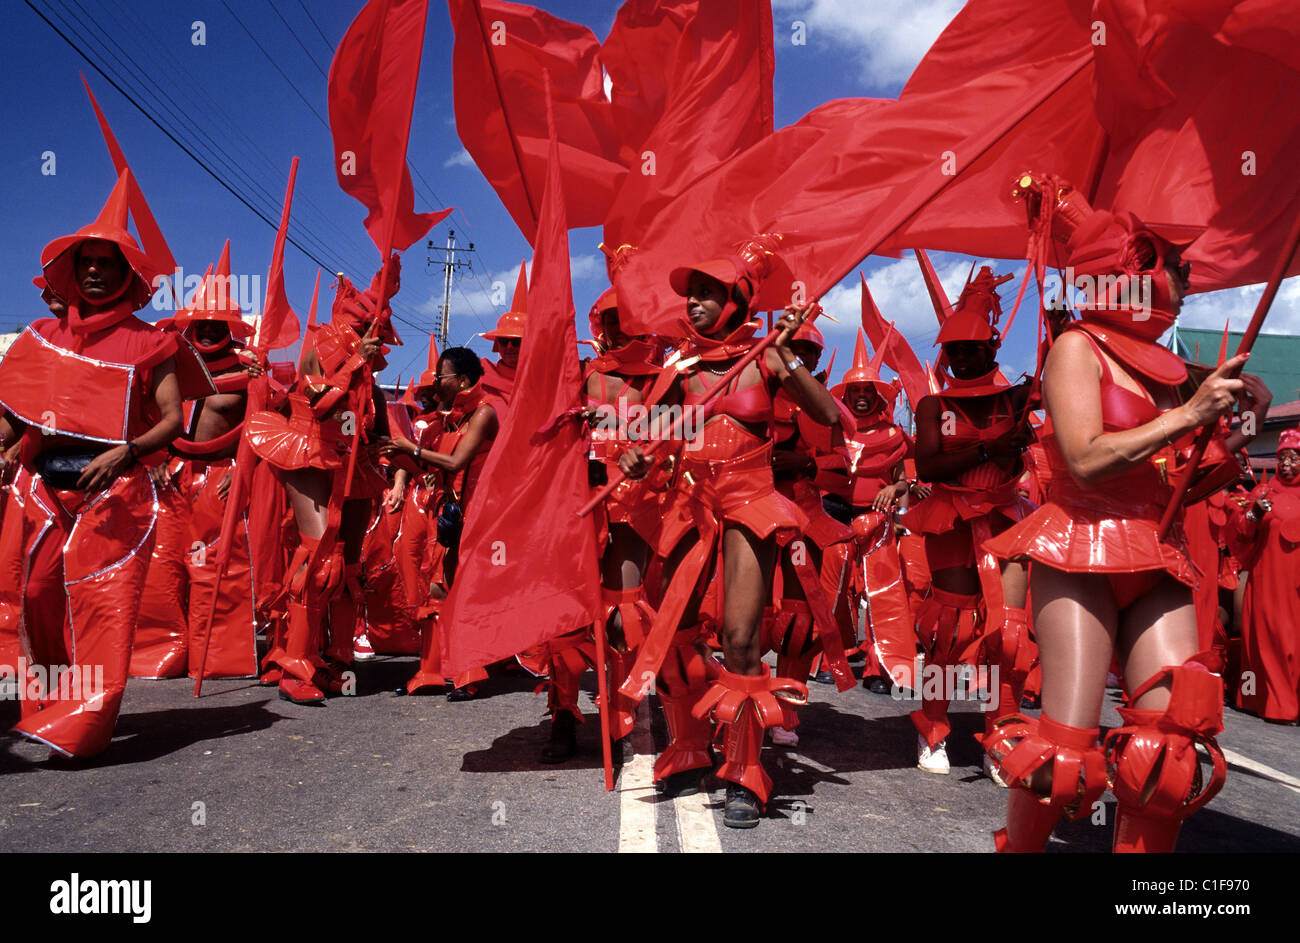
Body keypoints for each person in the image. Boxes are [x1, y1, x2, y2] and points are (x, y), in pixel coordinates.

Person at [983, 174, 1270, 852]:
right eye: (1176, 265)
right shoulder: (1076, 348)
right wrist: (1191, 416)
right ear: (1133, 270)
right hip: (1080, 548)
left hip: (1153, 551)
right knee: (1064, 743)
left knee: (1168, 746)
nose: (1189, 278)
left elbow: (1178, 475)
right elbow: (1083, 460)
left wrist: (1225, 429)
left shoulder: (1167, 369)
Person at [617, 249, 843, 827]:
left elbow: (829, 417)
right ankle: (690, 751)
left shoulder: (766, 361)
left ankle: (745, 772)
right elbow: (652, 435)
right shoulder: (682, 370)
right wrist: (640, 455)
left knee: (742, 640)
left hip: (750, 501)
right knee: (674, 633)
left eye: (707, 292)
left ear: (738, 300)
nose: (693, 302)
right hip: (690, 502)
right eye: (690, 293)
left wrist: (789, 357)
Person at [0, 171, 184, 757]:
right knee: (36, 596)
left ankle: (87, 723)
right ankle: (53, 705)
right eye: (87, 262)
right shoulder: (39, 337)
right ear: (71, 271)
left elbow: (172, 420)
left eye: (107, 262)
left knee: (102, 609)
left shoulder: (151, 343)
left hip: (115, 493)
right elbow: (14, 418)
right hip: (43, 490)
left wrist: (124, 452)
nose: (96, 271)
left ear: (127, 272)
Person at [246, 263, 396, 704]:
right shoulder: (322, 347)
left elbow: (370, 420)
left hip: (351, 461)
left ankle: (338, 659)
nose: (375, 329)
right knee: (318, 559)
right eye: (366, 319)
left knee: (349, 566)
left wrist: (385, 446)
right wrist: (355, 362)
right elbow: (323, 404)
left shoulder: (368, 366)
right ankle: (295, 664)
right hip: (311, 450)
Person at [909, 267, 1036, 778]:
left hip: (1007, 518)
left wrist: (1066, 333)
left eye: (971, 349)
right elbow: (928, 466)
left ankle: (1002, 734)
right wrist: (986, 447)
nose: (960, 358)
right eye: (953, 350)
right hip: (952, 519)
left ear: (993, 348)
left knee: (1009, 630)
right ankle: (933, 728)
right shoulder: (932, 404)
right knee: (950, 630)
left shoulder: (1019, 398)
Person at [538, 288, 664, 762]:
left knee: (623, 613)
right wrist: (574, 414)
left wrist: (617, 422)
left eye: (628, 320)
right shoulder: (580, 375)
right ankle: (565, 714)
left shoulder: (664, 380)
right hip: (579, 501)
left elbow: (676, 432)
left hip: (636, 502)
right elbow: (543, 428)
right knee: (567, 614)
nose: (618, 330)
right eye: (610, 320)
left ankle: (617, 713)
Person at [381, 346, 500, 701]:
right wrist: (393, 453)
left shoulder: (484, 414)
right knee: (436, 590)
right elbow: (430, 471)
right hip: (448, 516)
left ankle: (469, 673)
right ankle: (431, 671)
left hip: (476, 517)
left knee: (460, 592)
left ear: (462, 380)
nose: (434, 382)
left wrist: (412, 448)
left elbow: (456, 462)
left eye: (439, 376)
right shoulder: (445, 421)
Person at [816, 331, 921, 697]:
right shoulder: (832, 430)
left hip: (875, 518)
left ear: (878, 396)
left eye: (867, 391)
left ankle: (880, 664)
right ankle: (831, 658)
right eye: (855, 391)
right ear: (846, 396)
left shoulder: (896, 434)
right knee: (831, 590)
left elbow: (906, 481)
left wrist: (896, 488)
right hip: (832, 514)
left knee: (882, 593)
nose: (861, 397)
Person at [1228, 425, 1299, 724]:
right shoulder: (1264, 491)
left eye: (1294, 458)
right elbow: (1241, 531)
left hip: (1295, 583)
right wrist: (1256, 512)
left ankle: (1284, 702)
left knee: (1289, 643)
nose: (1286, 464)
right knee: (1260, 640)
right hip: (1267, 580)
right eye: (1283, 458)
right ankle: (1254, 697)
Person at [479, 263, 527, 405]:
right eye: (504, 341)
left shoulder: (548, 379)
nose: (510, 347)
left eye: (517, 342)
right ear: (497, 344)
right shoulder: (481, 378)